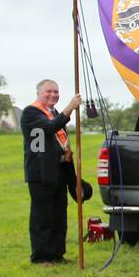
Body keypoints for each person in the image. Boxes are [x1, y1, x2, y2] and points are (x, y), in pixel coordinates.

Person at [22, 80, 82, 264]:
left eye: (56, 92)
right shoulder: (31, 112)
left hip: (58, 170)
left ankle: (57, 253)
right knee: (43, 217)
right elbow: (49, 128)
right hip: (41, 172)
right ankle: (40, 256)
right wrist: (70, 108)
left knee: (59, 215)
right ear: (39, 92)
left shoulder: (52, 112)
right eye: (49, 91)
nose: (53, 95)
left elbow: (54, 135)